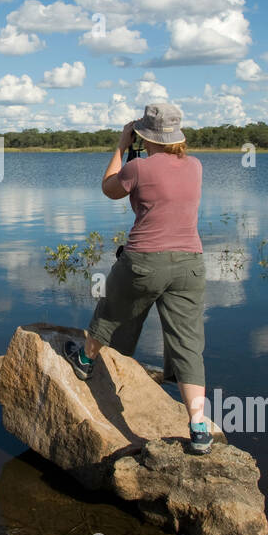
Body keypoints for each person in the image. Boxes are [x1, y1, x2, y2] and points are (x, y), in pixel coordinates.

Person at [63, 103, 212, 455]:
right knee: (188, 344)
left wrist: (120, 146)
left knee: (112, 307)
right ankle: (199, 427)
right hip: (191, 264)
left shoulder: (137, 167)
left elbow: (109, 188)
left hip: (145, 261)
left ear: (144, 135)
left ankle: (85, 361)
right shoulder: (195, 166)